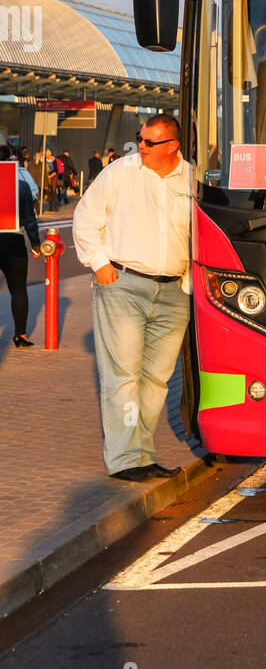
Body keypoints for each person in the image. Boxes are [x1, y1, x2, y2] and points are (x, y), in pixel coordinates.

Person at [72, 114, 192, 482]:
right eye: (140, 139)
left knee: (156, 379)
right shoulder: (119, 172)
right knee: (123, 376)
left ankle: (143, 453)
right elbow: (85, 218)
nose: (140, 146)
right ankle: (125, 459)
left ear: (172, 145)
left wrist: (187, 280)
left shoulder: (192, 178)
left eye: (149, 142)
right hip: (124, 285)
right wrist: (100, 265)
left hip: (174, 291)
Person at [0, 144, 42, 347]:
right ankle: (20, 335)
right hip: (13, 241)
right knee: (18, 290)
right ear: (9, 161)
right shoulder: (21, 186)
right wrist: (35, 243)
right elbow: (29, 218)